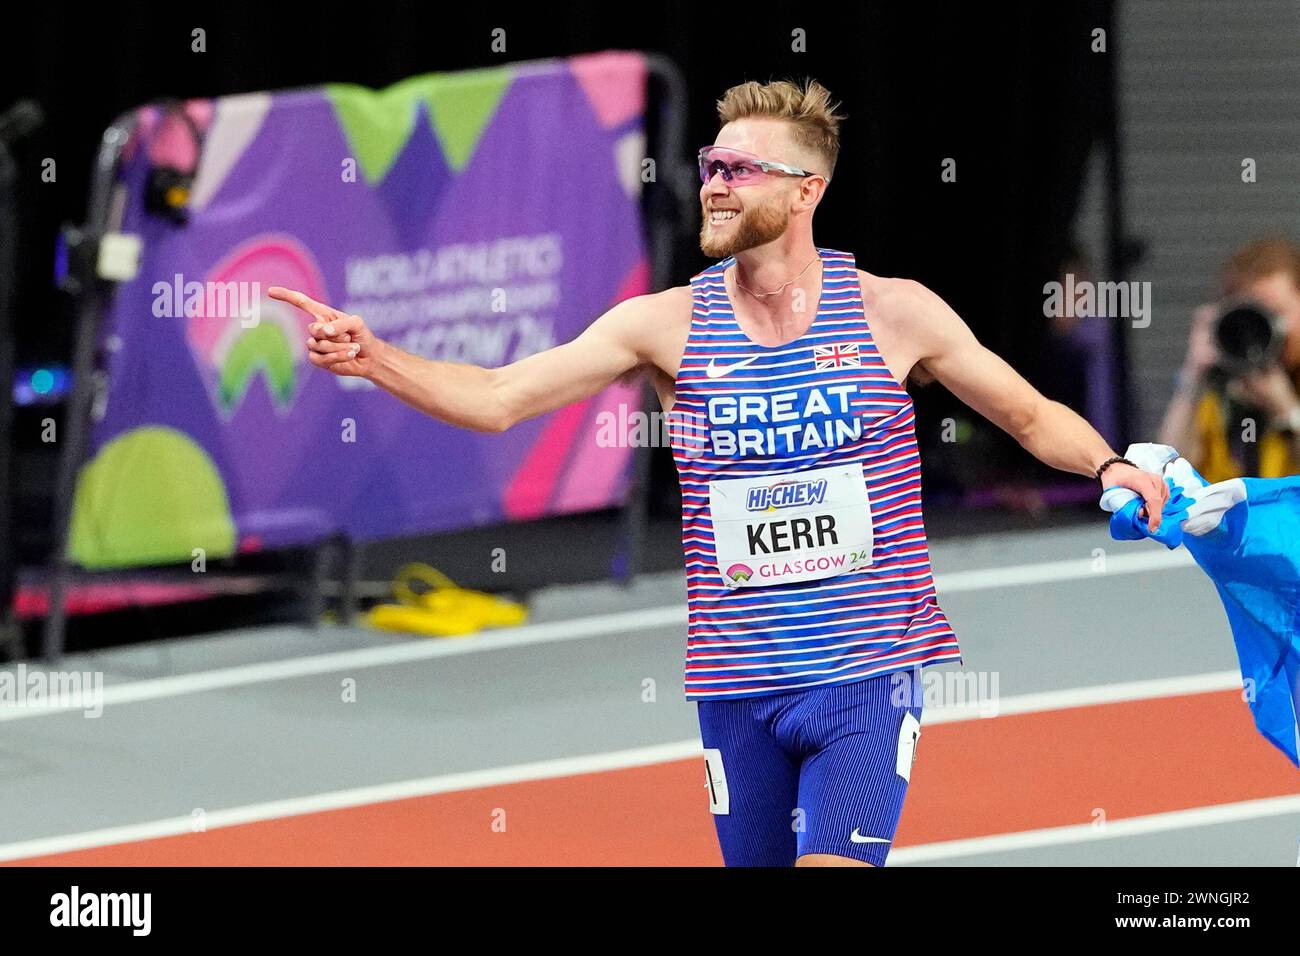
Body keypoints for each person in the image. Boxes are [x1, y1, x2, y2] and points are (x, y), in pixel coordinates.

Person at [270, 78, 1166, 867]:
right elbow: (501, 397)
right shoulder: (662, 325)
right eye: (709, 165)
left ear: (806, 190)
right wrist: (374, 357)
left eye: (740, 169)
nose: (715, 183)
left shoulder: (896, 314)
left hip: (866, 673)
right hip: (735, 687)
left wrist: (1110, 464)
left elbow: (1028, 414)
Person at [1158, 238, 1300, 482]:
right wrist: (1193, 376)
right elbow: (1167, 475)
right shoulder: (1219, 389)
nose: (1266, 330)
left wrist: (1288, 411)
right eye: (1254, 316)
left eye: (1276, 313)